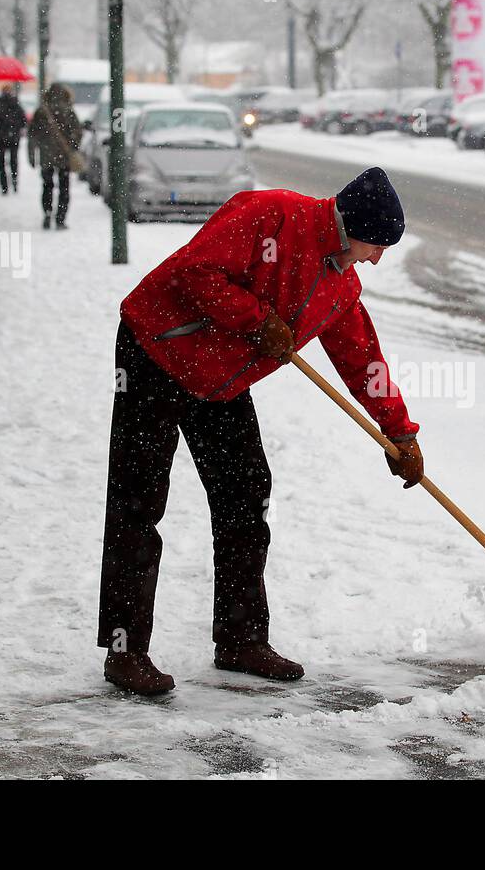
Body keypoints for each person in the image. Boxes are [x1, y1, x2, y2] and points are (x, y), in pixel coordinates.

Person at [98, 167, 422, 695]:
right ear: (351, 225)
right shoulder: (268, 214)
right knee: (138, 501)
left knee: (246, 494)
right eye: (376, 245)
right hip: (155, 350)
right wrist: (255, 318)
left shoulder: (339, 283)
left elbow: (361, 357)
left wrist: (400, 434)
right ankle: (124, 652)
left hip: (218, 377)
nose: (377, 258)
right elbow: (195, 271)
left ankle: (241, 640)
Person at [26, 84, 81, 229]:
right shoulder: (68, 110)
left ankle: (47, 213)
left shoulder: (42, 111)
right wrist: (73, 146)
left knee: (47, 186)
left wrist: (32, 155)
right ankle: (60, 219)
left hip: (46, 156)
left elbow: (32, 135)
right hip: (64, 157)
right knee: (64, 188)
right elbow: (77, 132)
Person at [0, 87, 28, 195]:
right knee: (13, 161)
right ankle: (14, 181)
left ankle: (4, 186)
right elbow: (23, 120)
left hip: (1, 137)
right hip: (13, 137)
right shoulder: (16, 104)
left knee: (2, 163)